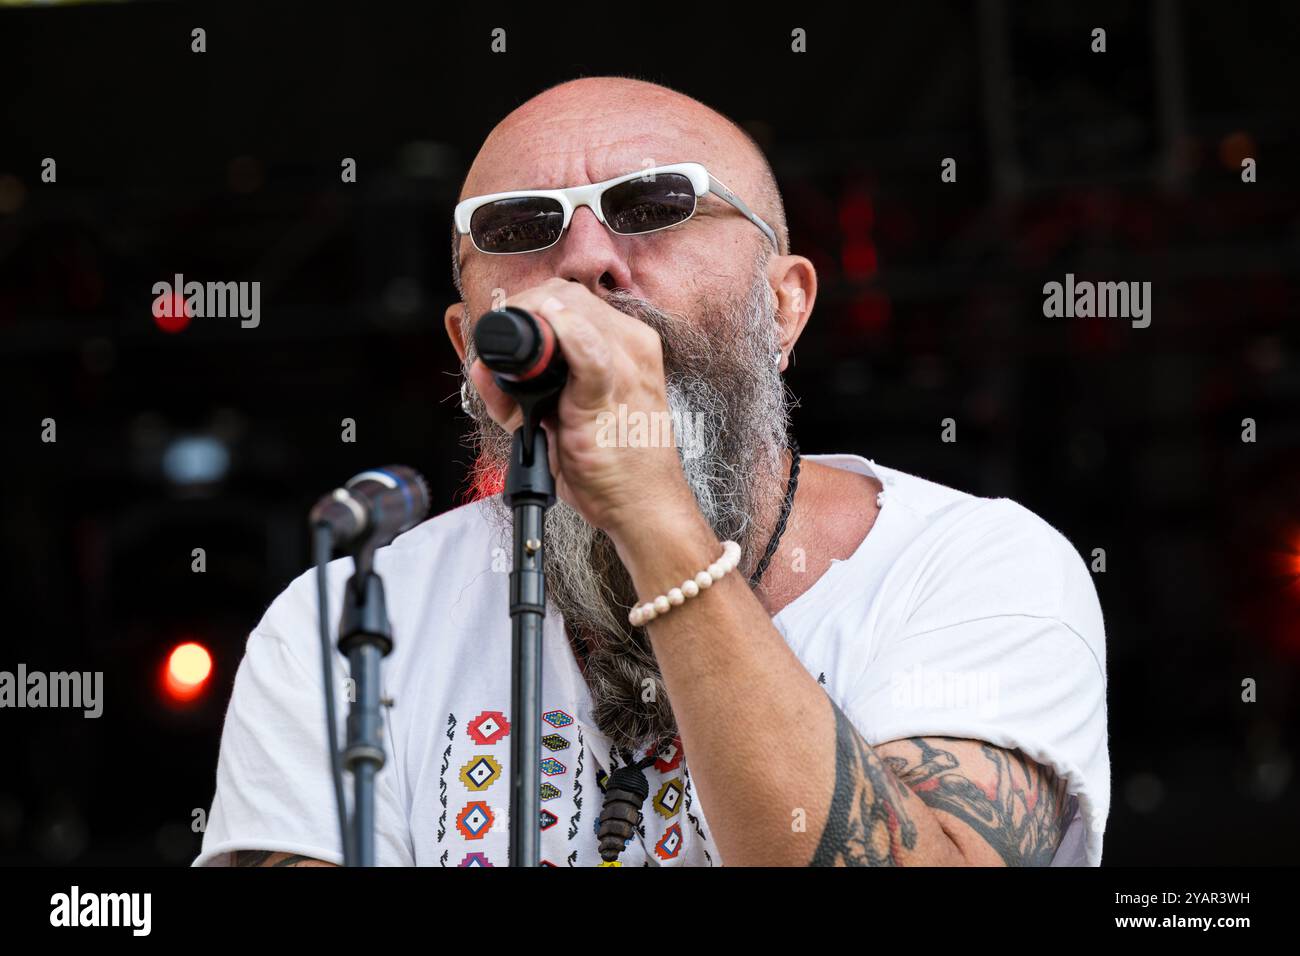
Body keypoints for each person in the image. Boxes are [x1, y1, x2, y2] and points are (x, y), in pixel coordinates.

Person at [195, 76, 1109, 867]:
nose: (588, 258)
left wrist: (651, 512)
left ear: (783, 307)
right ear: (468, 339)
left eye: (655, 206)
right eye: (521, 226)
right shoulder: (350, 622)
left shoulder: (977, 566)